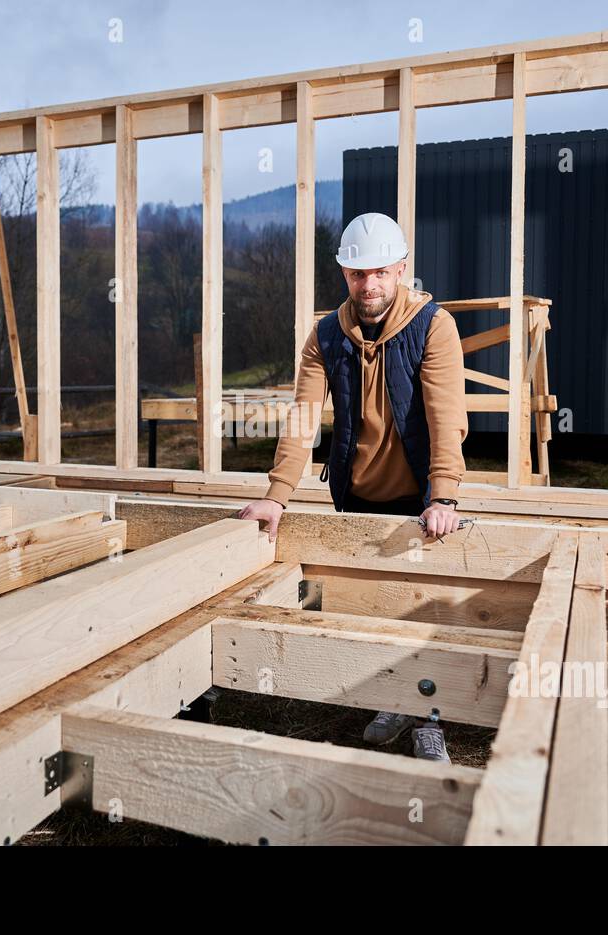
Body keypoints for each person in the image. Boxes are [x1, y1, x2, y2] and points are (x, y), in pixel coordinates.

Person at [237, 212, 468, 763]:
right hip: (356, 492)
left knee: (423, 609)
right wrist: (277, 494)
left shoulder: (434, 326)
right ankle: (395, 701)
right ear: (343, 273)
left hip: (418, 497)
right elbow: (301, 419)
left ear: (402, 269)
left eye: (381, 273)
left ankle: (429, 719)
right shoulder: (325, 335)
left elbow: (444, 414)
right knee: (372, 607)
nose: (369, 286)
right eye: (357, 274)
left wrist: (444, 495)